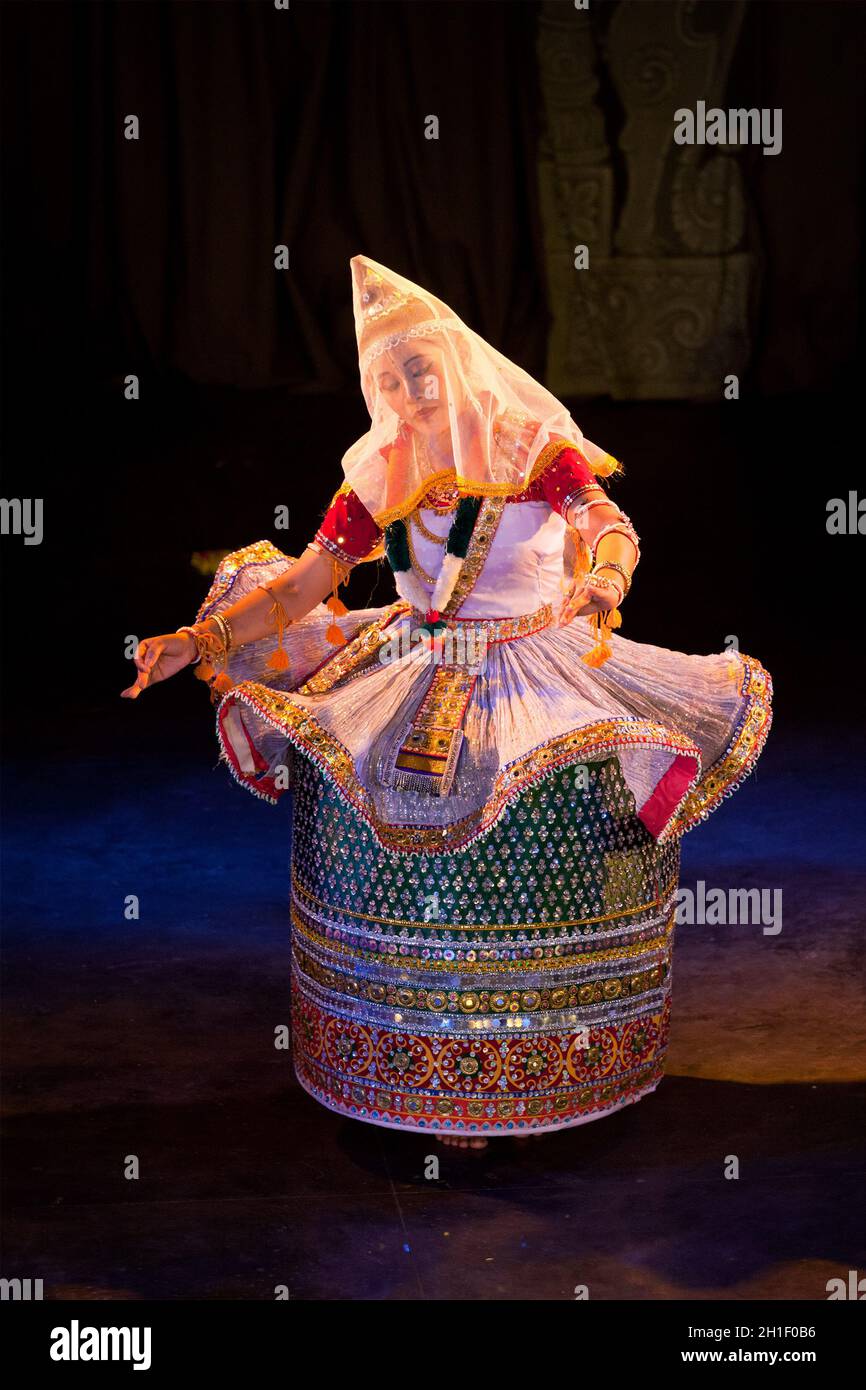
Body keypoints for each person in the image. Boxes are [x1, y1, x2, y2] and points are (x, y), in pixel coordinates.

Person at [121, 254, 773, 1151]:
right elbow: (307, 583)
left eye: (417, 369)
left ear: (456, 359)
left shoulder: (529, 450)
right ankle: (408, 1066)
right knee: (395, 848)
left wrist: (607, 580)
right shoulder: (379, 472)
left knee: (534, 857)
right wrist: (199, 643)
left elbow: (606, 526)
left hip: (532, 670)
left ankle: (557, 1062)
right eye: (385, 377)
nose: (404, 389)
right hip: (415, 662)